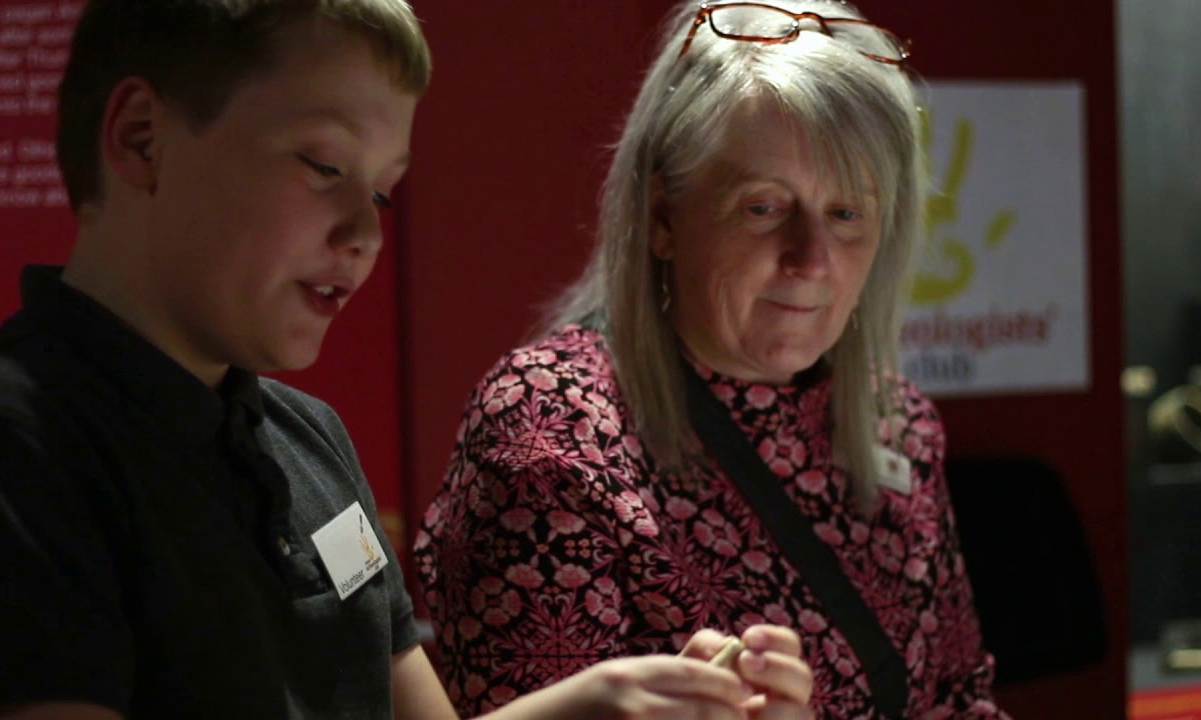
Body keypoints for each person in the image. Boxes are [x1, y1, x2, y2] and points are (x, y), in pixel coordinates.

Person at [0, 1, 813, 718]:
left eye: (382, 190)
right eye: (323, 167)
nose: (367, 232)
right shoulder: (26, 442)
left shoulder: (309, 439)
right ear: (142, 139)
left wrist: (621, 708)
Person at [415, 1, 1010, 718]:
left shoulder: (898, 424)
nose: (812, 260)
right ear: (664, 217)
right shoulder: (551, 425)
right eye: (764, 207)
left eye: (847, 214)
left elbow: (958, 701)